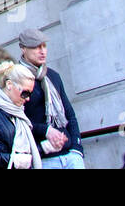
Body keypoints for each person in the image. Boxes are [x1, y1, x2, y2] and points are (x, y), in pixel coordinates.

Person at [18, 28, 84, 168]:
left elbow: (69, 114)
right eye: (36, 47)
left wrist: (76, 149)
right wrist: (46, 130)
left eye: (44, 46)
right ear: (23, 49)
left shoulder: (53, 76)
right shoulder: (16, 78)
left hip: (70, 155)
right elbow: (17, 121)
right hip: (43, 158)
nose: (42, 51)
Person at [0, 60, 42, 169]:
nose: (28, 98)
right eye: (25, 93)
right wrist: (12, 160)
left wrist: (45, 147)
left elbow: (26, 152)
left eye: (30, 94)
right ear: (9, 84)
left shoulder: (20, 113)